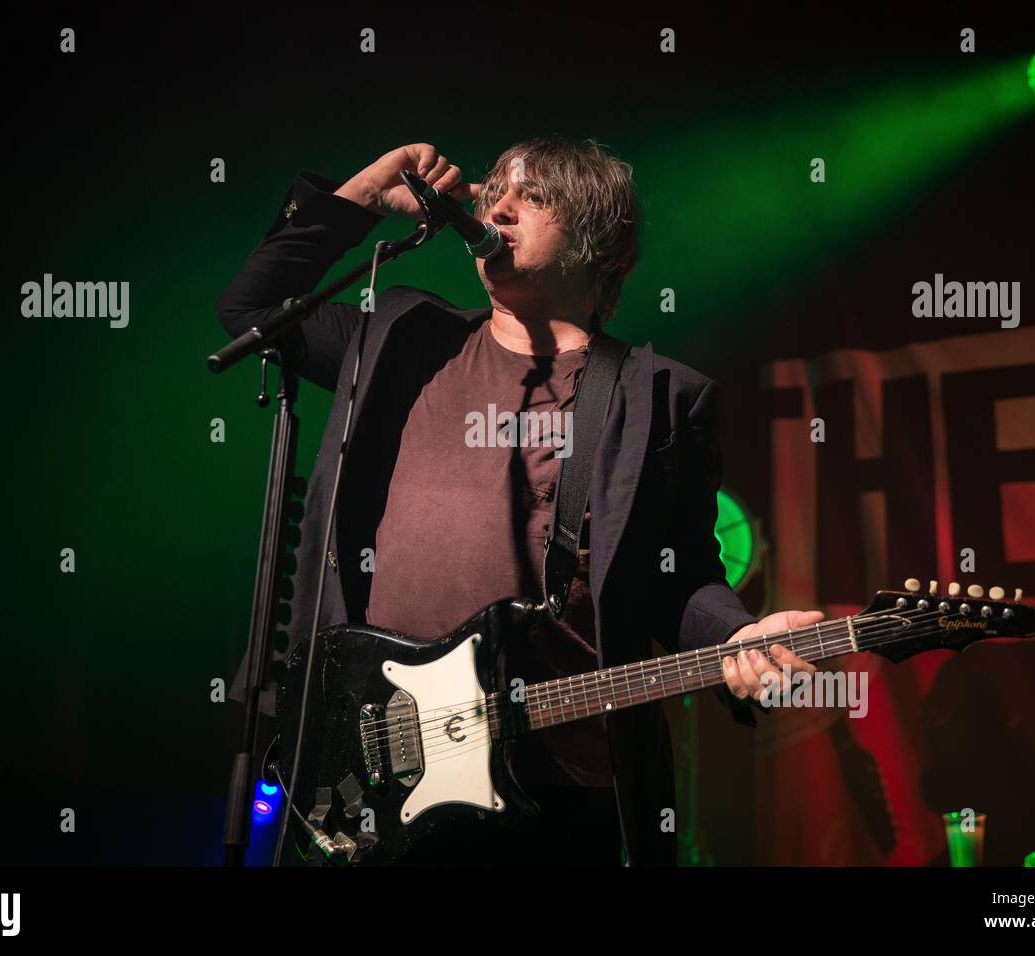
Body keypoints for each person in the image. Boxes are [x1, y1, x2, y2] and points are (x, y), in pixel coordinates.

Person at [218, 138, 821, 865]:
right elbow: (249, 307)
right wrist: (367, 194)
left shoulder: (655, 395)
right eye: (494, 191)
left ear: (601, 243)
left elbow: (679, 572)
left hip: (550, 775)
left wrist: (735, 637)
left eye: (533, 197)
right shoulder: (401, 337)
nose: (494, 207)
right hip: (371, 768)